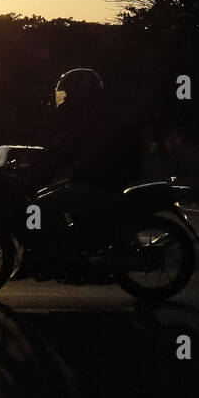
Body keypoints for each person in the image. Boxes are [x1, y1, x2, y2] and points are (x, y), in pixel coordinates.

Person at [29, 68, 141, 261]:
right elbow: (62, 149)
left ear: (81, 94)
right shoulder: (95, 117)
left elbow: (64, 151)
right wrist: (38, 165)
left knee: (41, 205)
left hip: (101, 185)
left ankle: (67, 256)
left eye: (68, 94)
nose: (64, 99)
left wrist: (38, 169)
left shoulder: (92, 120)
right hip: (97, 182)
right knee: (50, 194)